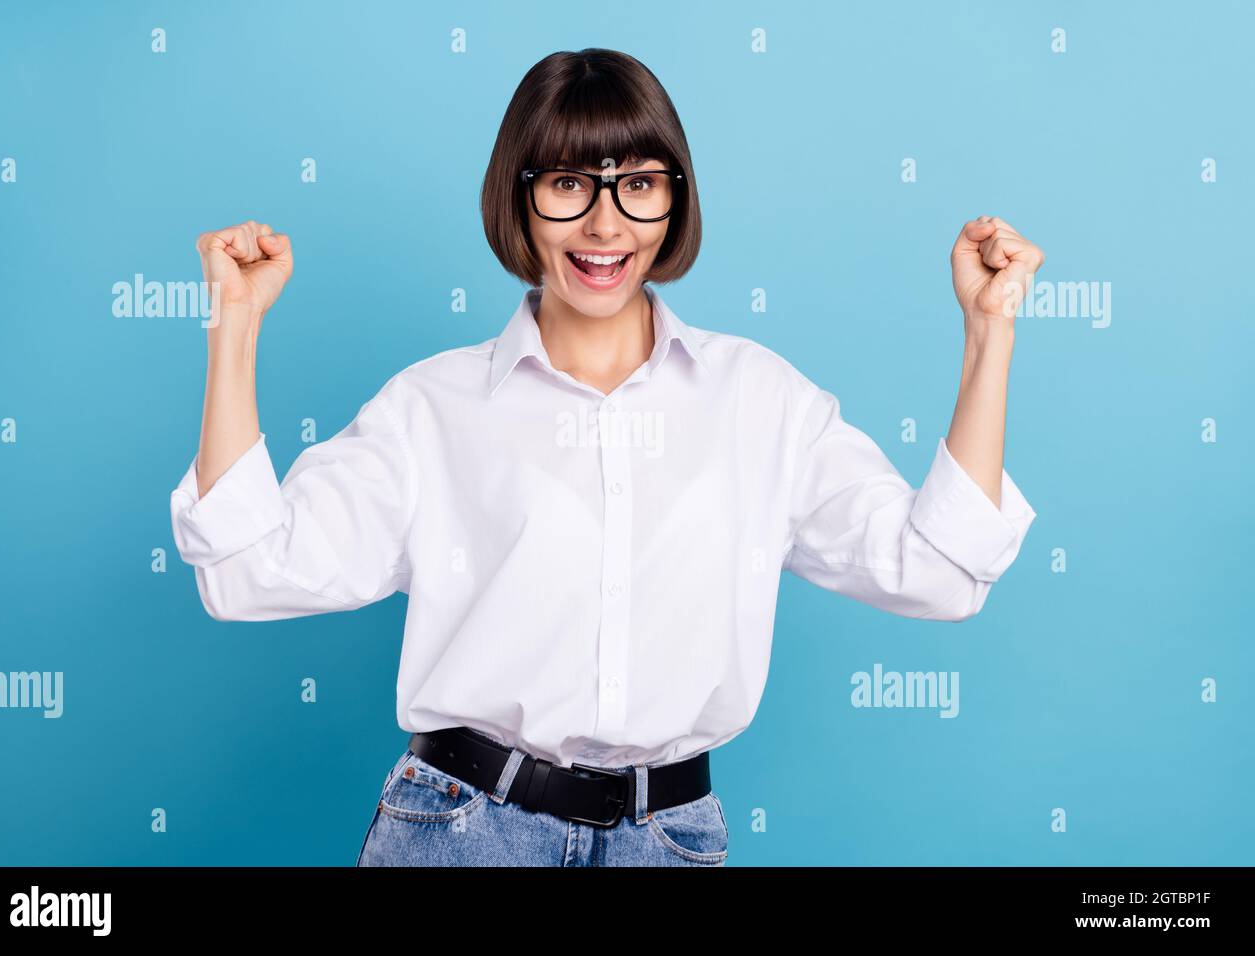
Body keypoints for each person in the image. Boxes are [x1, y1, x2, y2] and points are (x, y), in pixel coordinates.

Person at [169, 48, 1041, 867]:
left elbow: (939, 574)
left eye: (639, 186)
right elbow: (247, 573)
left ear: (675, 198)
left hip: (669, 839)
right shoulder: (431, 408)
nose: (604, 222)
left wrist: (988, 333)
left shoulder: (760, 401)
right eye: (568, 183)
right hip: (461, 832)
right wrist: (234, 329)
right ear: (520, 197)